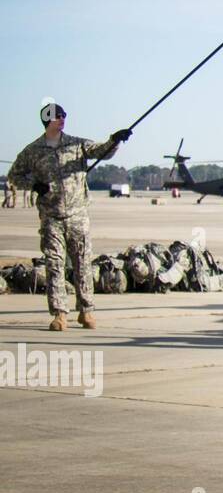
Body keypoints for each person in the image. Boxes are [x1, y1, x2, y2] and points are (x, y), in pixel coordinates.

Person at [7, 103, 131, 330]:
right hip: (51, 217)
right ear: (47, 120)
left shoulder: (76, 144)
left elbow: (102, 151)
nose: (63, 119)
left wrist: (115, 139)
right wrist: (34, 185)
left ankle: (86, 311)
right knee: (54, 265)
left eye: (64, 115)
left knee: (83, 263)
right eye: (58, 116)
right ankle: (59, 314)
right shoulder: (32, 151)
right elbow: (14, 176)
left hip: (78, 215)